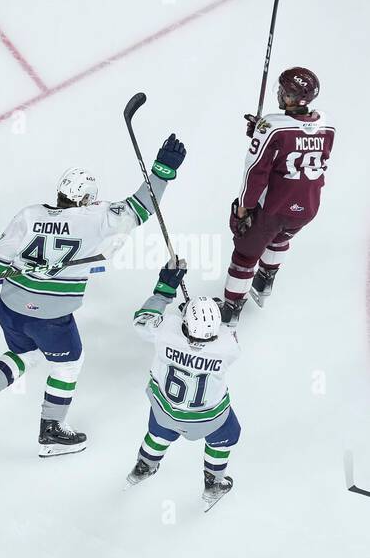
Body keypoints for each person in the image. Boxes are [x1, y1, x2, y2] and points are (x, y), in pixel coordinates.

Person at [0, 133, 187, 456]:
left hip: (10, 309)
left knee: (29, 354)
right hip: (49, 318)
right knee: (68, 364)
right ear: (87, 198)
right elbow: (140, 208)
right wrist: (162, 171)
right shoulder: (94, 218)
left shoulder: (29, 214)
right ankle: (50, 432)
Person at [223, 66, 333, 325]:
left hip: (272, 209)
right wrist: (262, 134)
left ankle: (230, 310)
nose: (280, 94)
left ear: (292, 98)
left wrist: (244, 208)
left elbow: (255, 172)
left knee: (244, 255)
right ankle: (264, 282)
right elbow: (297, 142)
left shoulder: (272, 126)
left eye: (284, 91)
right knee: (279, 238)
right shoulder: (328, 124)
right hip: (307, 207)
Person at [127, 263, 241, 511]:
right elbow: (223, 331)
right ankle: (214, 482)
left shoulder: (166, 330)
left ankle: (144, 465)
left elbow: (142, 322)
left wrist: (164, 290)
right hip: (207, 418)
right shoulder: (227, 347)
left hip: (165, 410)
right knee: (228, 434)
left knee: (160, 431)